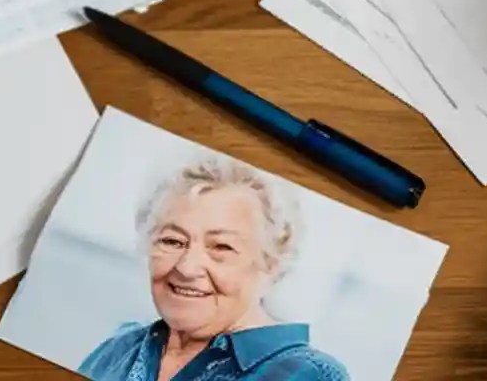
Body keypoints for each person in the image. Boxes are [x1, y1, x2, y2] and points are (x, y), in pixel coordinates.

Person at [78, 157, 348, 381]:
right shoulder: (121, 346)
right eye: (172, 241)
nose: (186, 267)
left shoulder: (309, 375)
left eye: (221, 247)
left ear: (271, 264)